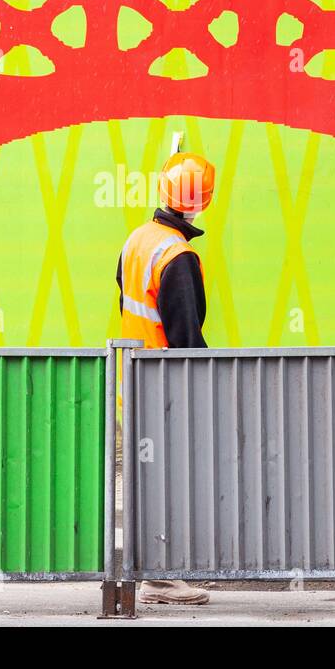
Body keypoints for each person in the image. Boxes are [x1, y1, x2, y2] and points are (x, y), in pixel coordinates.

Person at [116, 150, 214, 605]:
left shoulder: (137, 240)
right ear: (202, 202)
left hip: (135, 380)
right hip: (165, 387)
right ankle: (160, 578)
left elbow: (129, 297)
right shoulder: (178, 255)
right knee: (168, 479)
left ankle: (159, 571)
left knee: (149, 478)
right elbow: (185, 336)